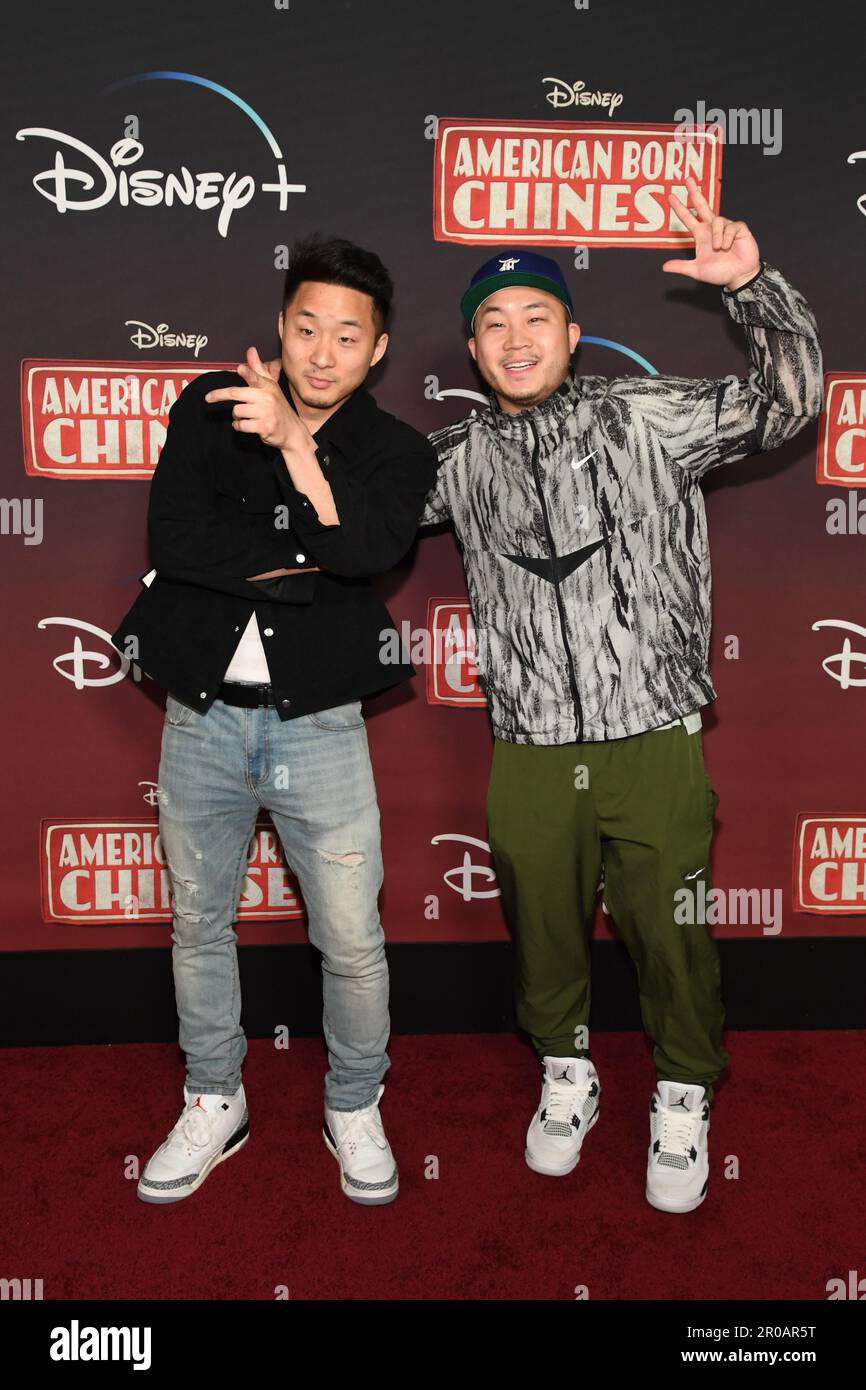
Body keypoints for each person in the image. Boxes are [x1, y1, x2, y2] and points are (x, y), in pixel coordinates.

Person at [418, 176, 823, 1213]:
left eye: (535, 318)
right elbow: (345, 519)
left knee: (669, 926)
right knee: (542, 923)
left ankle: (683, 1089)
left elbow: (787, 402)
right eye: (493, 325)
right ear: (471, 349)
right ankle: (566, 1071)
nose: (514, 339)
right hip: (531, 745)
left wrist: (754, 290)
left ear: (571, 330)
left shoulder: (646, 415)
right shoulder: (454, 459)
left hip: (651, 737)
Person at [112, 236, 438, 1206]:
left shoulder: (395, 449)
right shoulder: (212, 404)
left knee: (349, 937)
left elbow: (367, 552)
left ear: (377, 348)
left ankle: (352, 1101)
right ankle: (215, 1097)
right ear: (282, 327)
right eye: (306, 328)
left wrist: (297, 450)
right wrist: (308, 563)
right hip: (200, 713)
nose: (322, 352)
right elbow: (176, 539)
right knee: (197, 925)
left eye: (347, 335)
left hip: (321, 724)